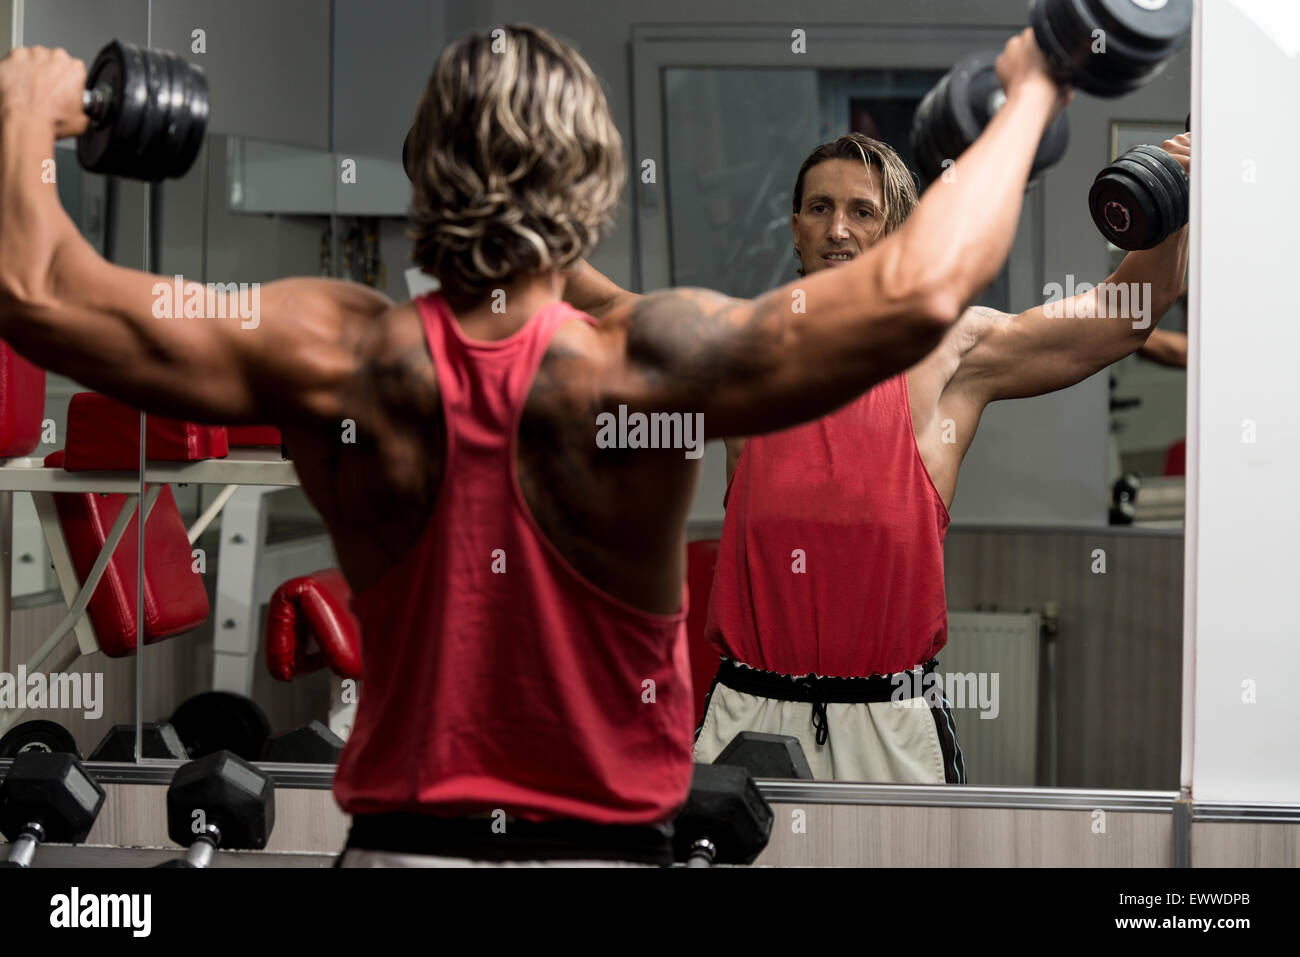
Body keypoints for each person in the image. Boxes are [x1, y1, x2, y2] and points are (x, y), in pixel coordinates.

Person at [0, 23, 1065, 863]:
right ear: (596, 188)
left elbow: (38, 289)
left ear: (422, 168)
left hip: (400, 845)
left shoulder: (331, 347)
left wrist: (25, 116)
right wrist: (1030, 93)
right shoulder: (652, 359)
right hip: (607, 850)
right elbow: (922, 285)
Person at [566, 131, 1189, 786]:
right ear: (795, 229)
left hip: (888, 725)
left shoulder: (948, 350)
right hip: (749, 714)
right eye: (819, 208)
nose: (838, 228)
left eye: (862, 211)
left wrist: (1172, 199)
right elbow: (608, 308)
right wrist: (522, 230)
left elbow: (1123, 316)